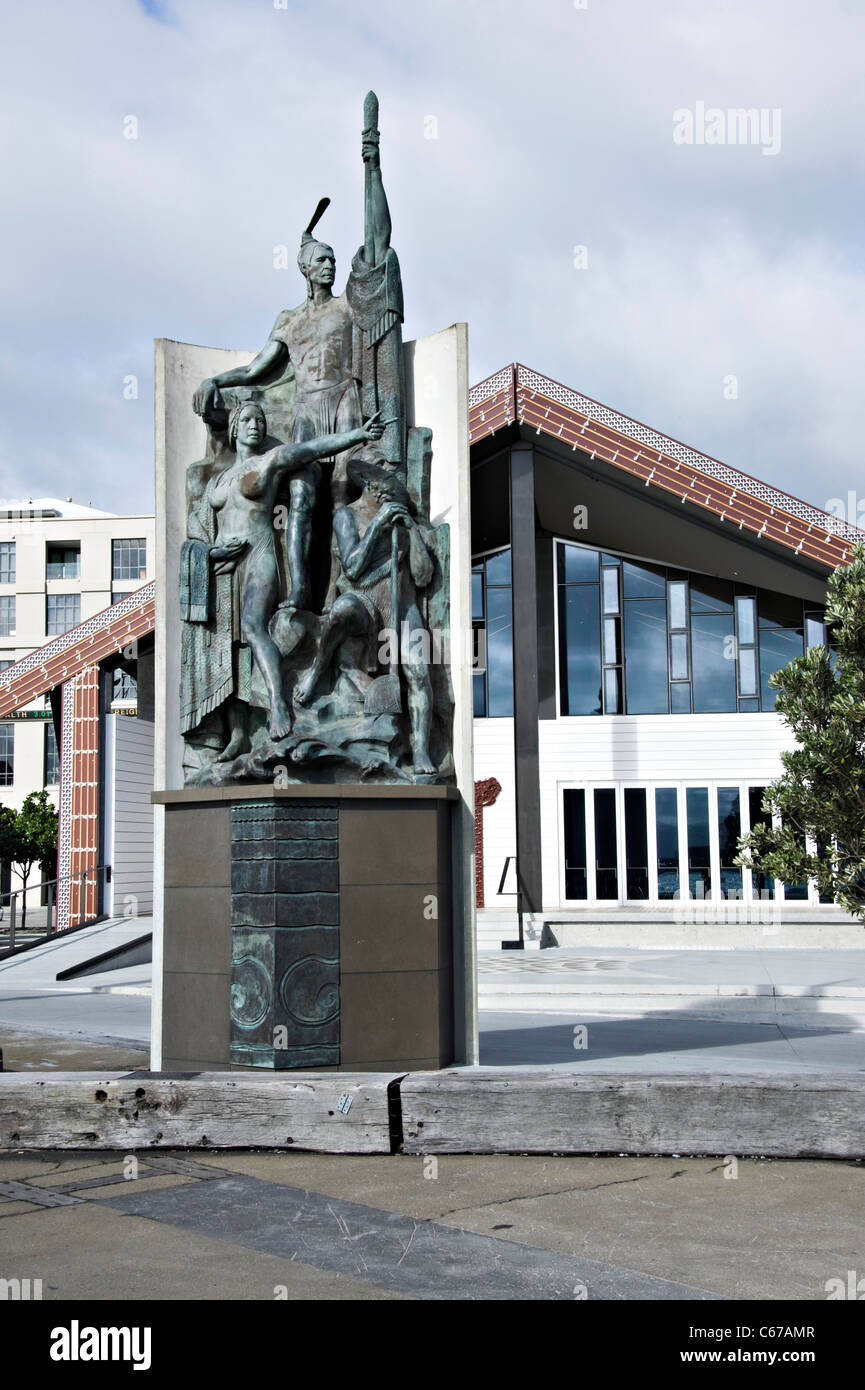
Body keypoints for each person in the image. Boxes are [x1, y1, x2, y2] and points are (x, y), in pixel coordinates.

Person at [201, 400, 384, 751]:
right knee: (232, 644)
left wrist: (358, 434)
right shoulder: (219, 480)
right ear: (235, 428)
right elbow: (202, 526)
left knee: (254, 627)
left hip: (258, 555)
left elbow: (311, 448)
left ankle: (278, 706)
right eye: (249, 420)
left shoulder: (269, 461)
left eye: (261, 420)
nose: (256, 425)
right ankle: (239, 734)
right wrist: (208, 554)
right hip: (223, 566)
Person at [294, 450, 436, 775]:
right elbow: (354, 568)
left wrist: (410, 530)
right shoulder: (347, 515)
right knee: (343, 610)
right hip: (364, 600)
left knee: (418, 672)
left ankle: (421, 751)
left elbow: (424, 574)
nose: (387, 484)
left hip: (401, 605)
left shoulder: (403, 521)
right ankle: (318, 670)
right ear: (367, 481)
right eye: (381, 478)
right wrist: (378, 526)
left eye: (392, 481)